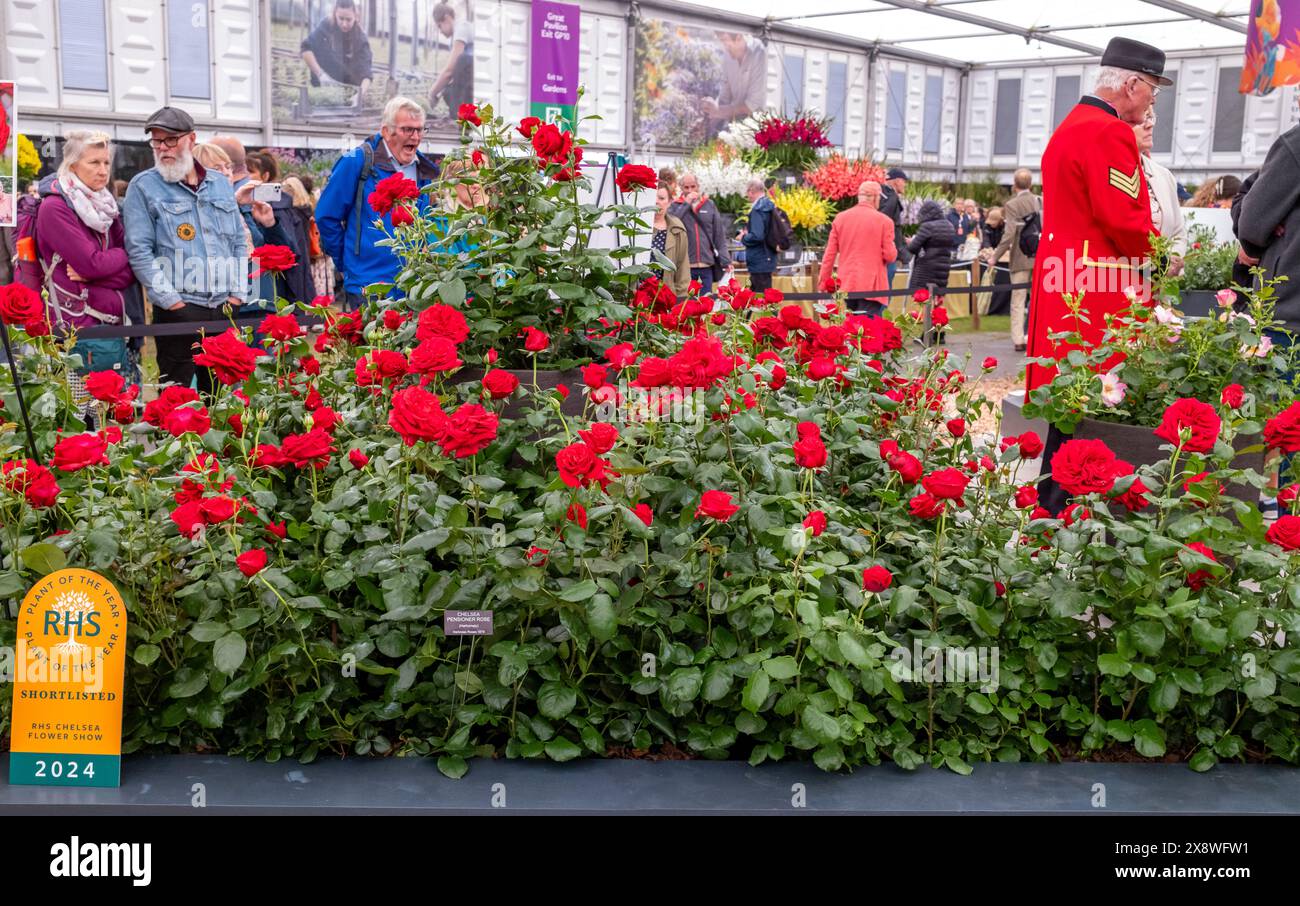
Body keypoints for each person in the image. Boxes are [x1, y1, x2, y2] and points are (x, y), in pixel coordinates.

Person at [1029, 37, 1166, 513]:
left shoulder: (1071, 125)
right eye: (1153, 89)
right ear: (1131, 83)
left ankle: (1050, 511)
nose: (1152, 101)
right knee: (1092, 410)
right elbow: (1124, 219)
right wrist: (1160, 259)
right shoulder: (1110, 133)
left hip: (1066, 285)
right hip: (1097, 291)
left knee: (1067, 411)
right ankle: (1065, 513)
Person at [123, 106, 248, 394]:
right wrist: (172, 303)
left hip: (225, 308)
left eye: (171, 140)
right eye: (157, 141)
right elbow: (140, 251)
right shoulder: (143, 187)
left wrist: (238, 295)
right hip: (179, 310)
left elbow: (238, 242)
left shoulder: (219, 183)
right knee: (177, 403)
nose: (163, 148)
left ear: (191, 139)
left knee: (221, 399)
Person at [33, 130, 138, 386]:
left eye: (106, 162)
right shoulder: (54, 207)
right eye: (94, 162)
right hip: (74, 331)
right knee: (82, 419)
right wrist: (122, 256)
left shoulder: (105, 204)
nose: (103, 170)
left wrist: (103, 271)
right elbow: (91, 263)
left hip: (107, 329)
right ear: (72, 165)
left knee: (109, 419)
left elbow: (129, 271)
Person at [316, 96, 439, 310]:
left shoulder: (422, 168)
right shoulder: (357, 161)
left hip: (414, 283)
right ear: (385, 131)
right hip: (370, 283)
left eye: (420, 130)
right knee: (375, 343)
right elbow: (327, 217)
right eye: (407, 130)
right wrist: (347, 263)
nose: (416, 137)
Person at [817, 180, 898, 317]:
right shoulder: (885, 221)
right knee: (867, 330)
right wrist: (894, 248)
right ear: (874, 198)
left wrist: (824, 284)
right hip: (873, 286)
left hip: (848, 282)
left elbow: (829, 256)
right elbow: (890, 256)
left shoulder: (840, 218)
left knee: (853, 326)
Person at [984, 167, 1041, 351]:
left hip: (1020, 256)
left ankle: (1019, 339)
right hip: (1040, 256)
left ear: (1014, 185)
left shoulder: (1011, 205)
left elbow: (1008, 236)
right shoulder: (1039, 202)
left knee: (1018, 300)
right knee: (1038, 300)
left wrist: (995, 256)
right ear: (1030, 184)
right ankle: (1034, 335)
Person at [1134, 107, 1186, 273]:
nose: (1150, 125)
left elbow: (1178, 231)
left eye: (1151, 117)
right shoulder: (1107, 171)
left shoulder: (1164, 175)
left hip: (1159, 288)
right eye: (1142, 118)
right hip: (1120, 283)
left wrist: (1167, 266)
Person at [300, 0, 373, 108]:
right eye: (341, 18)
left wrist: (359, 96)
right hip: (325, 82)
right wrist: (321, 75)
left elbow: (367, 75)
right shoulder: (327, 24)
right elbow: (306, 48)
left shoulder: (360, 39)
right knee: (319, 47)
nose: (344, 24)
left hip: (347, 85)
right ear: (335, 14)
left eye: (348, 19)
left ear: (356, 17)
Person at [669, 171, 730, 295]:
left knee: (706, 303)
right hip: (685, 267)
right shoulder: (676, 206)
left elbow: (719, 235)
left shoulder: (709, 205)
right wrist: (686, 203)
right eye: (686, 187)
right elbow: (673, 224)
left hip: (706, 266)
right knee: (687, 305)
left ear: (698, 186)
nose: (690, 190)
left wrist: (726, 261)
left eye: (693, 186)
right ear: (681, 188)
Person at [702, 31, 767, 135]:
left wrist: (718, 111)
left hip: (754, 131)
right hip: (732, 129)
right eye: (722, 42)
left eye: (726, 41)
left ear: (739, 37)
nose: (725, 47)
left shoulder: (757, 51)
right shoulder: (728, 57)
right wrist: (710, 115)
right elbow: (724, 98)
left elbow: (752, 106)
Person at [429, 3, 474, 117]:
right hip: (474, 79)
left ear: (447, 18)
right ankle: (461, 116)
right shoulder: (459, 31)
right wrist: (438, 93)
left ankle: (462, 119)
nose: (440, 31)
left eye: (439, 26)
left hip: (477, 78)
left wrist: (432, 93)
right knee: (448, 91)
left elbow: (449, 71)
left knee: (462, 61)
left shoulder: (462, 28)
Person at [907, 199, 957, 301]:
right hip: (944, 266)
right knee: (936, 299)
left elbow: (913, 248)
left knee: (923, 300)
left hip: (926, 268)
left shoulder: (927, 226)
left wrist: (911, 241)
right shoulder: (950, 226)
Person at [651, 185, 690, 297]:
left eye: (661, 198)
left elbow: (682, 266)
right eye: (653, 197)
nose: (656, 201)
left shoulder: (677, 229)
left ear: (669, 202)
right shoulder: (634, 226)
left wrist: (680, 298)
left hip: (665, 296)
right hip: (638, 297)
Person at [740, 178, 776, 294]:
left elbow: (757, 235)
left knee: (761, 299)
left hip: (758, 259)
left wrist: (743, 237)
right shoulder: (769, 205)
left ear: (751, 191)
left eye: (747, 192)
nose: (748, 196)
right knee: (759, 296)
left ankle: (774, 313)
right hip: (768, 257)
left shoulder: (757, 209)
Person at [879, 168, 910, 285]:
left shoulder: (882, 194)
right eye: (904, 181)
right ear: (897, 181)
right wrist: (903, 253)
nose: (905, 185)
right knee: (884, 290)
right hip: (887, 251)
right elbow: (886, 224)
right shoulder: (891, 197)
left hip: (879, 250)